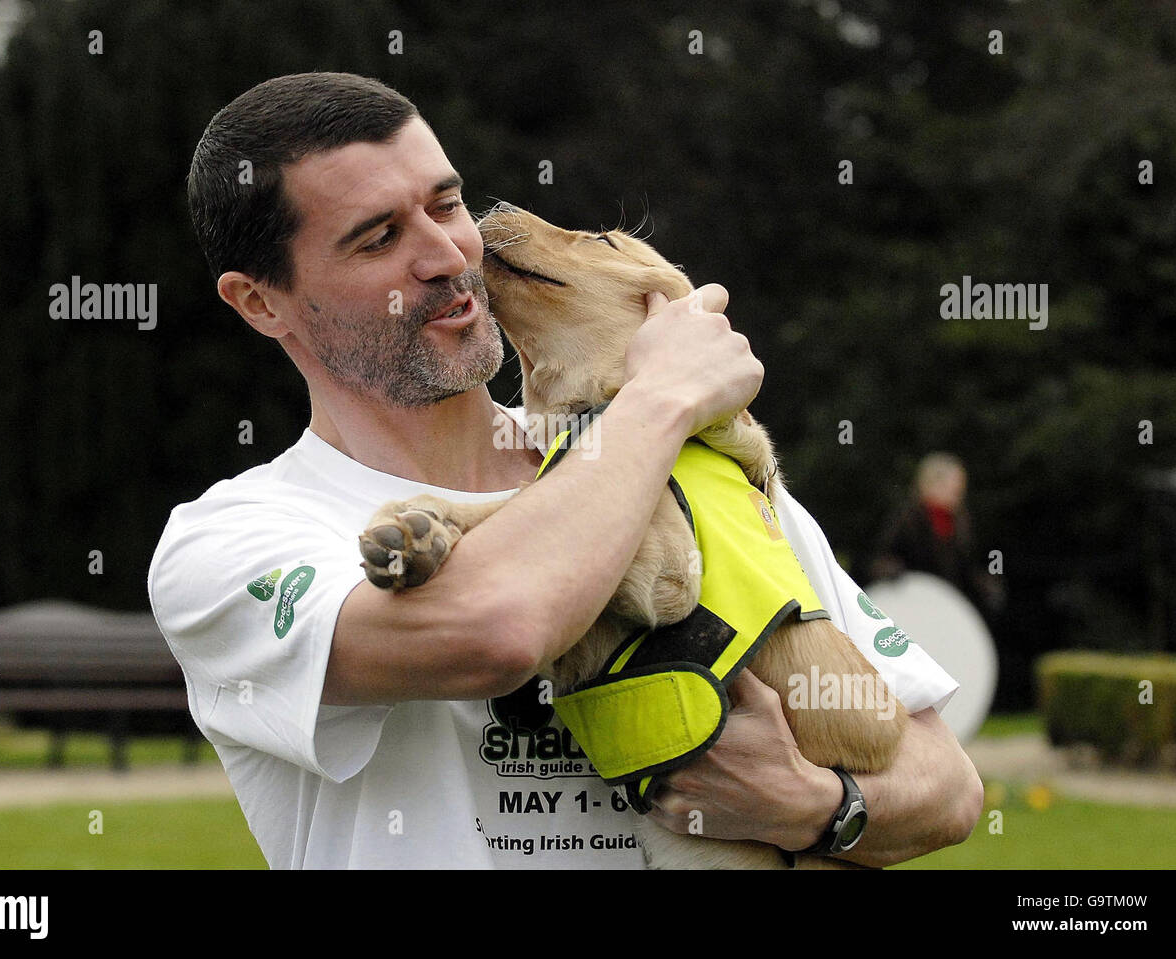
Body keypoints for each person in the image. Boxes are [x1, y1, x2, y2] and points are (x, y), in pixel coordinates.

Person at [149, 72, 982, 869]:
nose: (447, 254)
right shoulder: (230, 544)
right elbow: (502, 630)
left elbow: (947, 788)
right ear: (261, 302)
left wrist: (808, 804)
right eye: (379, 238)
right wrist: (659, 400)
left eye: (447, 205)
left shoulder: (702, 477)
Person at [870, 453, 1004, 618]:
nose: (960, 490)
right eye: (954, 484)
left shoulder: (961, 522)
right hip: (911, 606)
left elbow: (967, 569)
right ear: (933, 484)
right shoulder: (907, 519)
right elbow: (881, 559)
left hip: (947, 607)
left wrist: (984, 585)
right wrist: (892, 570)